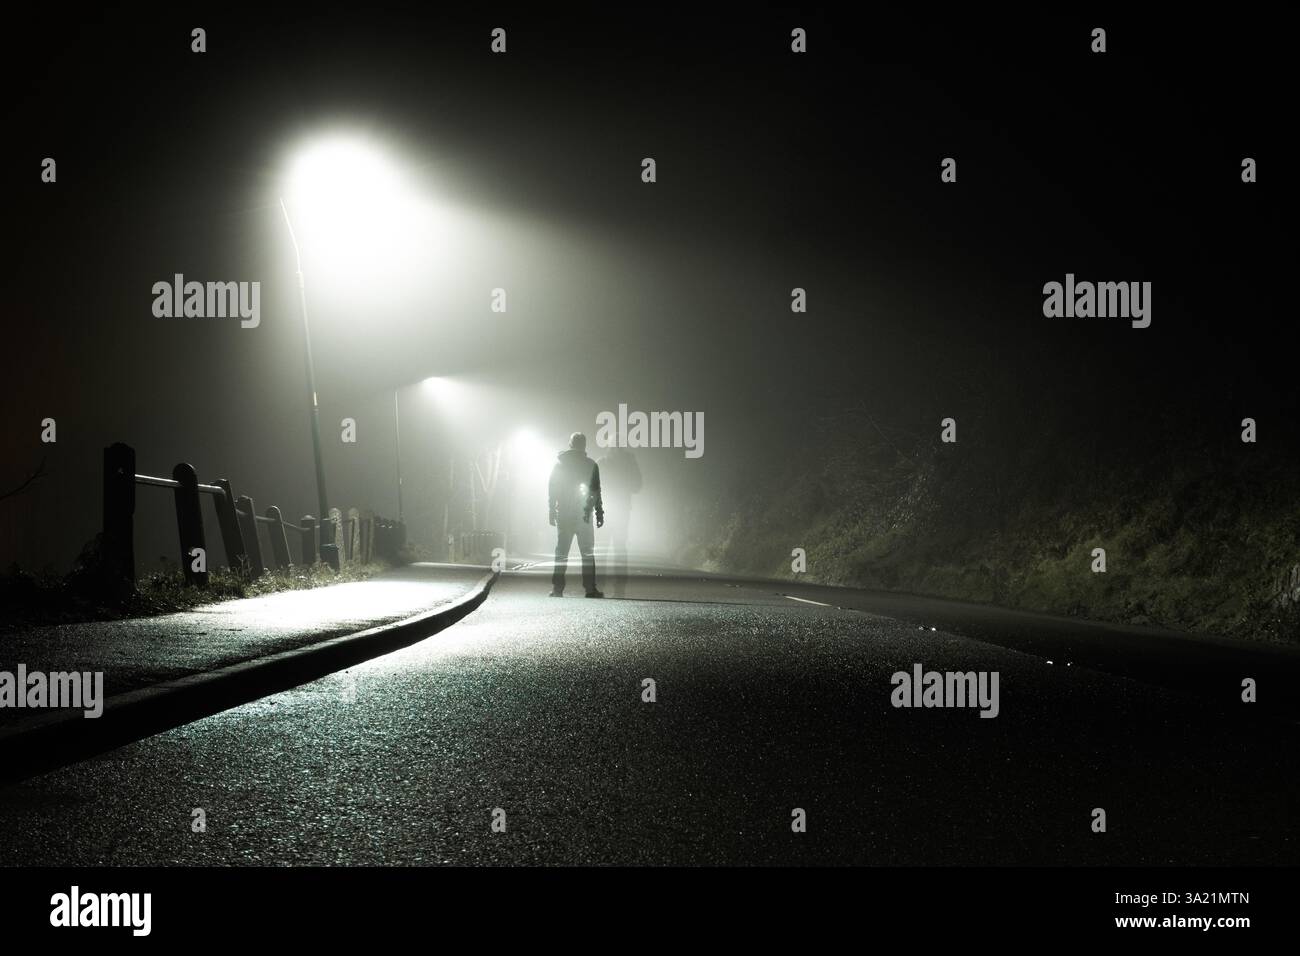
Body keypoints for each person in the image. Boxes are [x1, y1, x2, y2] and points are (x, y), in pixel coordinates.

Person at [548, 432, 604, 597]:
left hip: (564, 513)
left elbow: (552, 489)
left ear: (570, 445)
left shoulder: (559, 464)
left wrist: (551, 510)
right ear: (584, 446)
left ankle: (557, 589)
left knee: (562, 552)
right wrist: (599, 513)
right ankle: (590, 588)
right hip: (584, 515)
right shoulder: (591, 465)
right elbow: (596, 491)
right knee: (587, 552)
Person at [596, 446, 641, 597]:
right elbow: (637, 485)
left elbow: (591, 485)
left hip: (607, 509)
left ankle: (602, 584)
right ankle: (617, 586)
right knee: (618, 548)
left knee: (608, 548)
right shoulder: (629, 462)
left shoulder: (603, 462)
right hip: (617, 509)